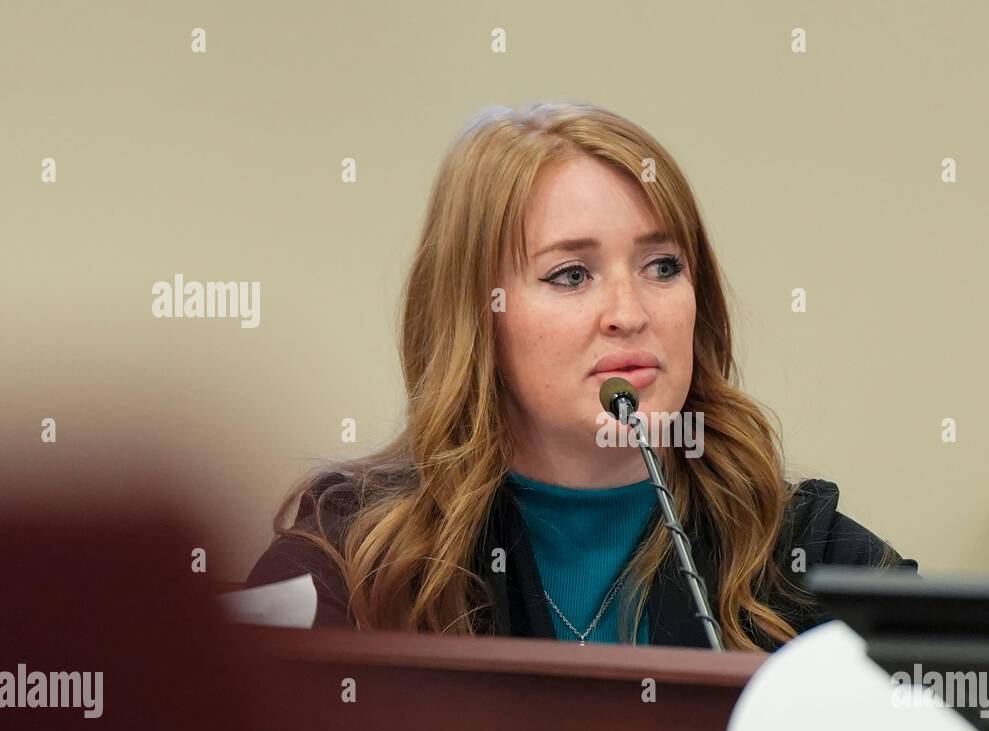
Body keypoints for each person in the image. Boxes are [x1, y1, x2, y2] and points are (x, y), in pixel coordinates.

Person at [247, 101, 916, 652]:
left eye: (662, 266)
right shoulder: (353, 556)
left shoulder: (807, 553)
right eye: (571, 275)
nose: (629, 314)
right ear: (479, 317)